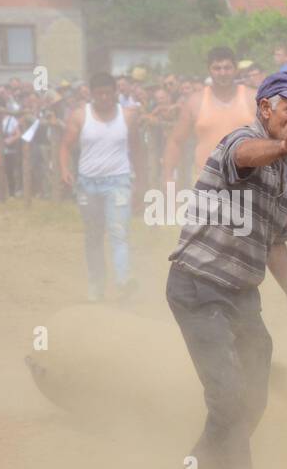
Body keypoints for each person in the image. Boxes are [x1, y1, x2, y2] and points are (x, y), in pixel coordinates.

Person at [165, 71, 287, 469]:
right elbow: (245, 155)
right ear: (265, 110)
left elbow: (275, 243)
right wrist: (284, 146)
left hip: (241, 294)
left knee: (252, 402)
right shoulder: (243, 142)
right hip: (198, 286)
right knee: (230, 401)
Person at [57, 73, 142, 301]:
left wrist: (141, 182)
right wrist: (65, 169)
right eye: (99, 93)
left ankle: (123, 281)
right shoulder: (79, 116)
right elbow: (65, 146)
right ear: (91, 94)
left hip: (118, 181)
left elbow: (136, 149)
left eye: (108, 93)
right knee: (94, 236)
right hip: (88, 184)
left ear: (116, 92)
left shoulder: (127, 116)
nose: (104, 98)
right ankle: (96, 286)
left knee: (118, 232)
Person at [163, 46, 255, 188]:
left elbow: (271, 138)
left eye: (227, 68)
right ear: (209, 70)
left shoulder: (252, 98)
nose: (222, 73)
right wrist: (168, 176)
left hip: (247, 183)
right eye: (217, 68)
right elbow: (176, 140)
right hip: (206, 183)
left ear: (235, 69)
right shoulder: (195, 102)